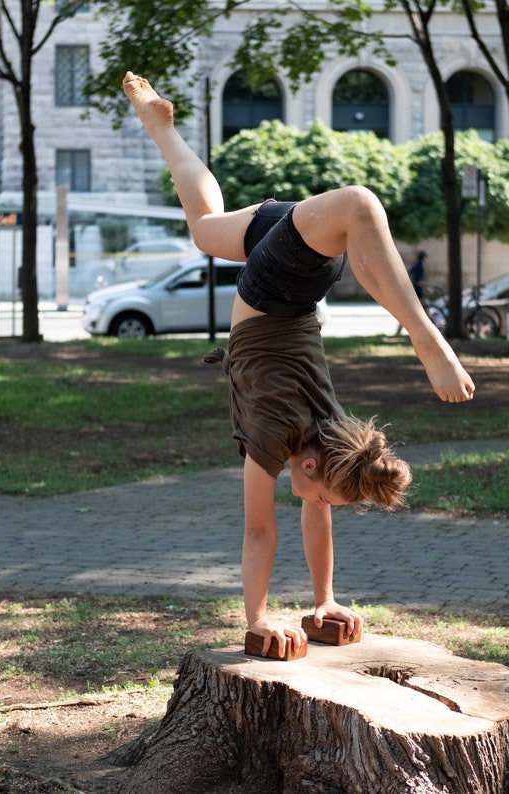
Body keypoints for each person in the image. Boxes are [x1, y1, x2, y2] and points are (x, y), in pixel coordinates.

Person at [122, 71, 475, 658]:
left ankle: (160, 126)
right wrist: (258, 618)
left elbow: (306, 510)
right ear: (311, 463)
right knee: (359, 204)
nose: (317, 503)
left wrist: (324, 601)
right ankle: (426, 337)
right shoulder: (282, 438)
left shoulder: (331, 442)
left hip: (299, 271)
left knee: (206, 232)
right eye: (323, 496)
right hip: (279, 284)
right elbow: (259, 530)